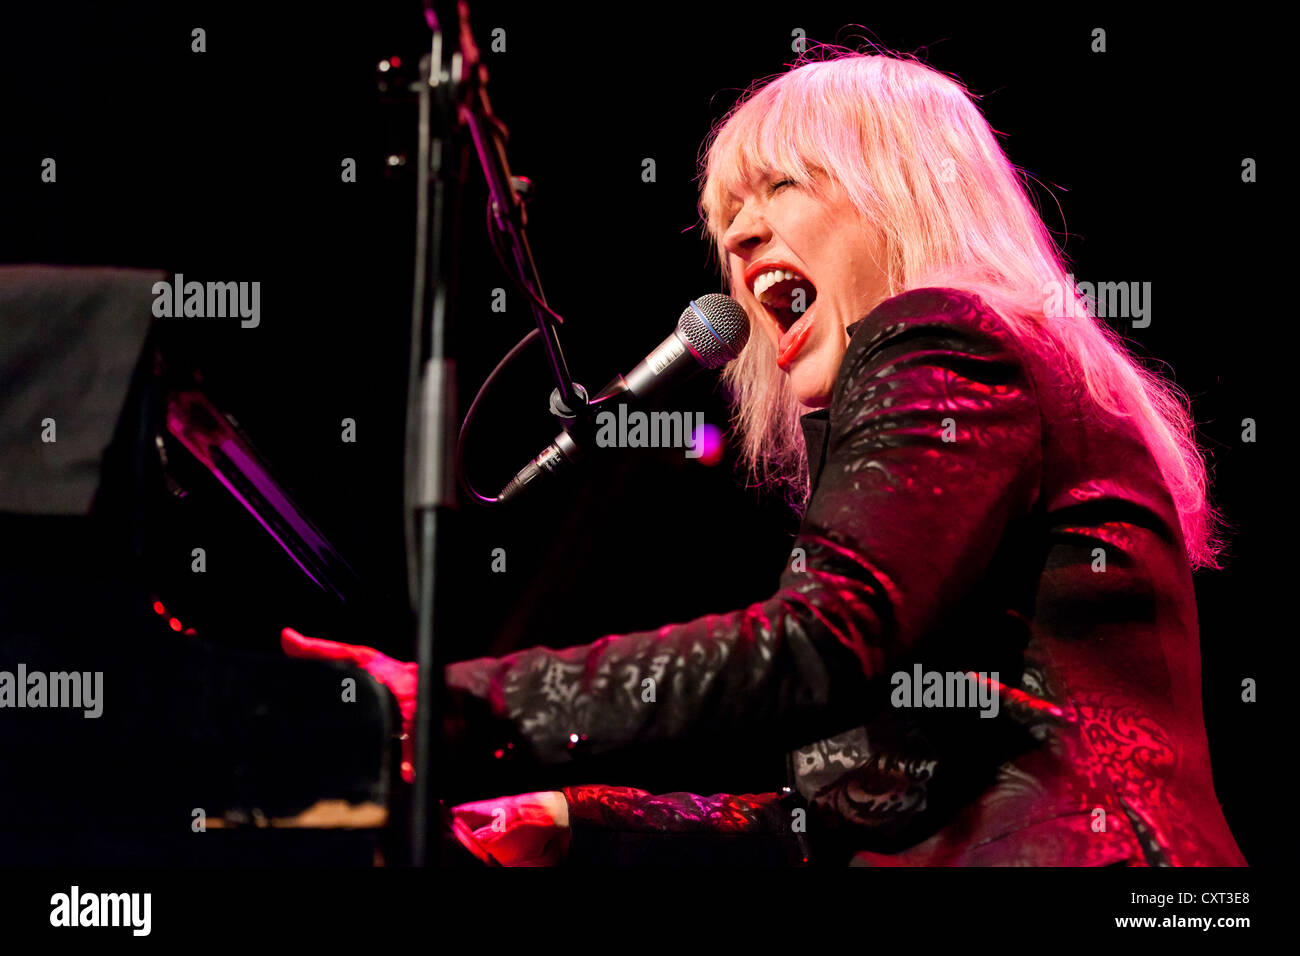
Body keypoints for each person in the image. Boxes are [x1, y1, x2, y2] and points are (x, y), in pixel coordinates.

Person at [283, 48, 1247, 866]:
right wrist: (581, 820)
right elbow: (834, 820)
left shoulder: (950, 338)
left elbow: (816, 644)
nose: (738, 238)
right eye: (723, 217)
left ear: (902, 198)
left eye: (781, 186)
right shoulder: (988, 387)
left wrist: (457, 703)